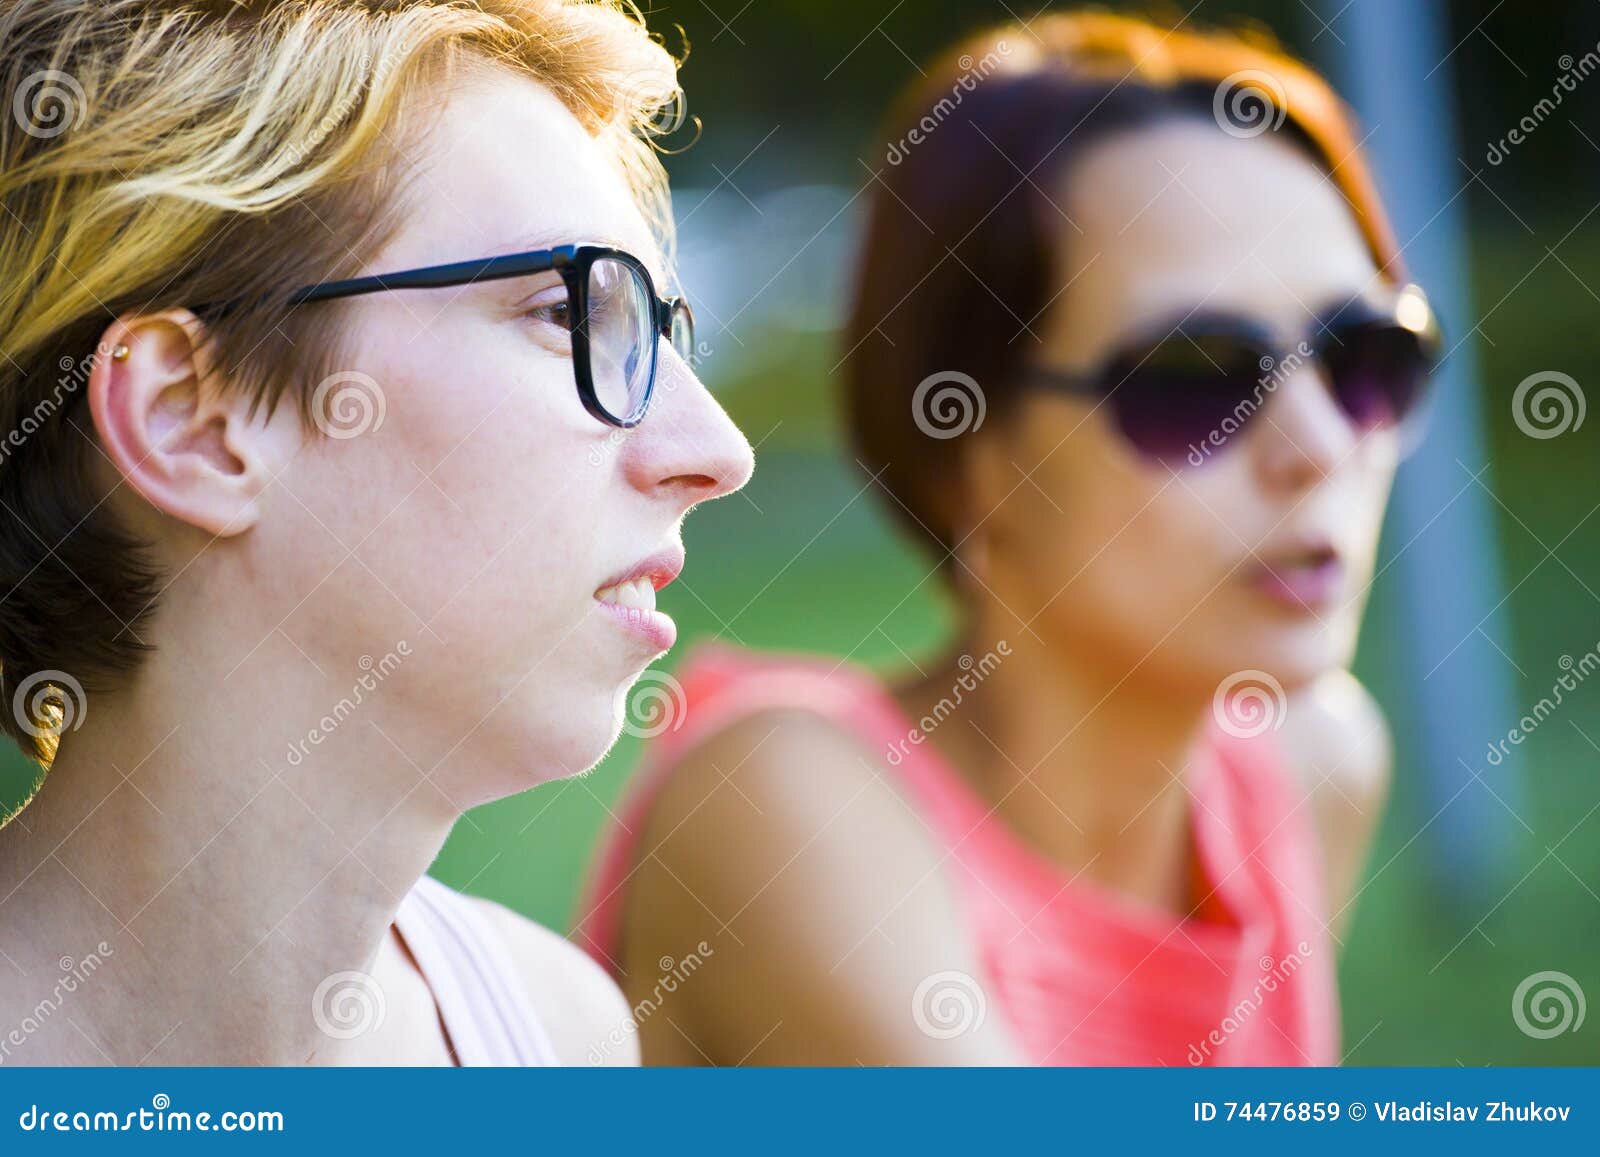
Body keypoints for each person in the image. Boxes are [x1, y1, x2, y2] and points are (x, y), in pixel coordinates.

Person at [579, 11, 1440, 1065]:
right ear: (966, 452)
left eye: (1367, 358)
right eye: (1192, 377)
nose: (1317, 446)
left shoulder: (1312, 768)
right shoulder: (782, 803)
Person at [0, 0, 751, 1065]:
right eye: (564, 314)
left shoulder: (561, 1032)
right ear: (192, 421)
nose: (717, 450)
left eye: (661, 334)